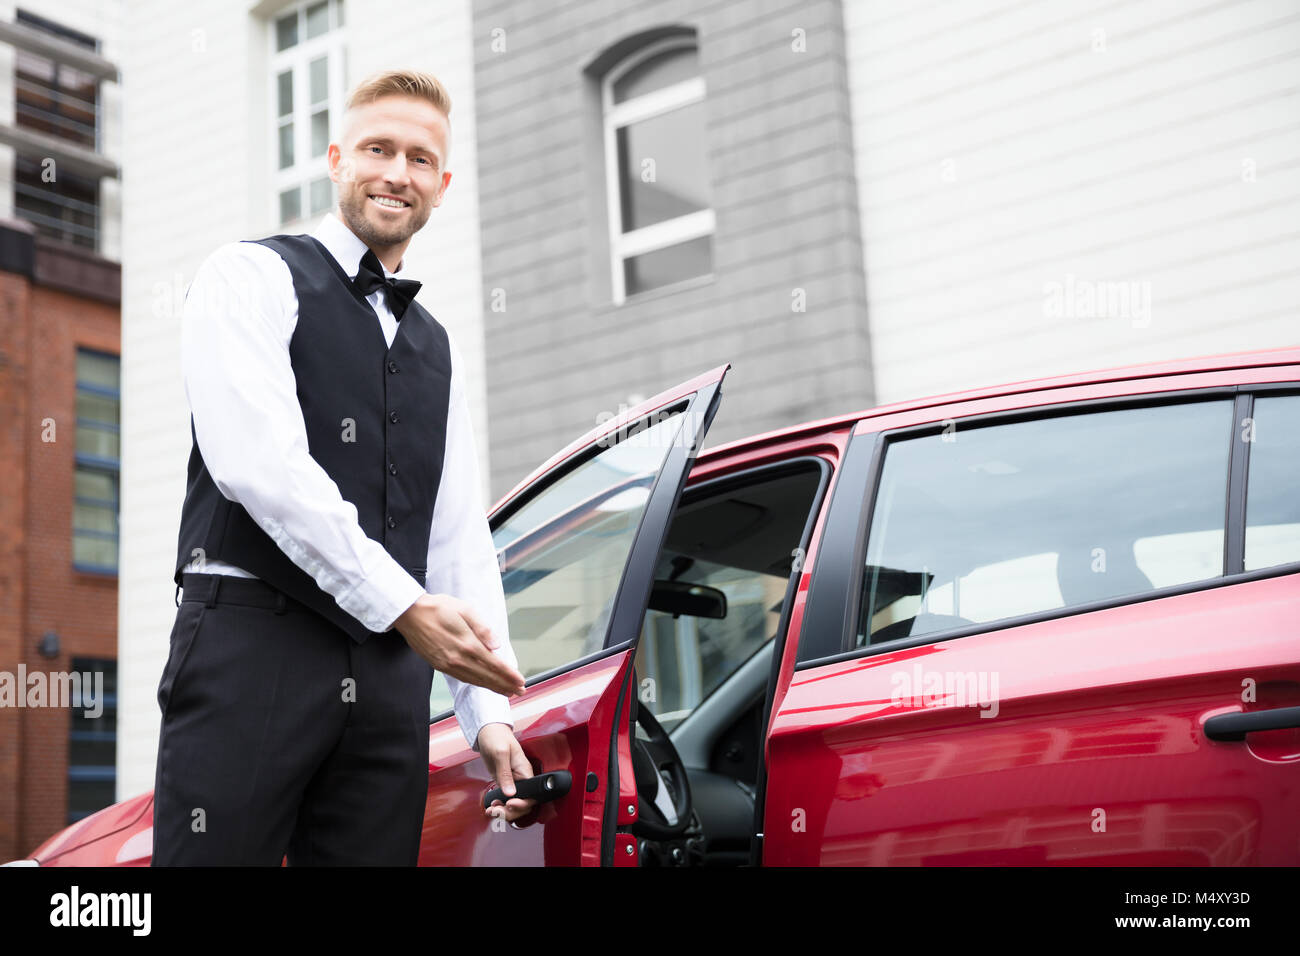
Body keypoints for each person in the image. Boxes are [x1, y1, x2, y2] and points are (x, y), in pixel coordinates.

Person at [152, 69, 534, 866]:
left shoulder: (439, 345)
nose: (399, 172)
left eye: (420, 159)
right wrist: (404, 606)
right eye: (378, 149)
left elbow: (456, 535)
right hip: (254, 647)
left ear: (443, 184)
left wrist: (489, 711)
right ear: (335, 159)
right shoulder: (247, 275)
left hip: (392, 679)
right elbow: (259, 467)